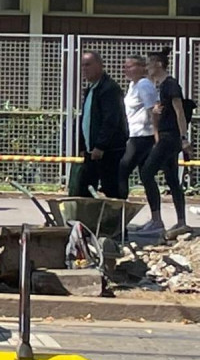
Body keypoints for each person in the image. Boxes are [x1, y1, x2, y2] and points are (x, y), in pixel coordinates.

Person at [138, 51, 189, 236]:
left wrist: (184, 138)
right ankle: (181, 221)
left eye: (150, 64)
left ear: (159, 64)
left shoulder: (171, 84)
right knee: (172, 179)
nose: (147, 68)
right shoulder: (160, 86)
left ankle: (156, 219)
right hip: (166, 136)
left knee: (146, 173)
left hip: (171, 137)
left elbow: (179, 111)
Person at [71, 50, 129, 200]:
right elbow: (87, 119)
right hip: (92, 151)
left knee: (112, 188)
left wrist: (101, 146)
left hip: (109, 151)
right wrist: (83, 147)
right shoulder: (91, 89)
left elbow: (111, 120)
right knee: (84, 188)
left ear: (99, 65)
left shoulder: (109, 88)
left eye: (88, 65)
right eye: (83, 65)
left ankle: (115, 221)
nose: (84, 69)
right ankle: (85, 221)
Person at [119, 55, 158, 201]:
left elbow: (152, 111)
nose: (126, 69)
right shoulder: (132, 85)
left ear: (142, 68)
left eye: (130, 66)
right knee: (146, 176)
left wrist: (156, 136)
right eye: (125, 66)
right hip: (134, 134)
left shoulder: (144, 85)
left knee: (122, 170)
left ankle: (120, 209)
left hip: (142, 136)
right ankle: (156, 217)